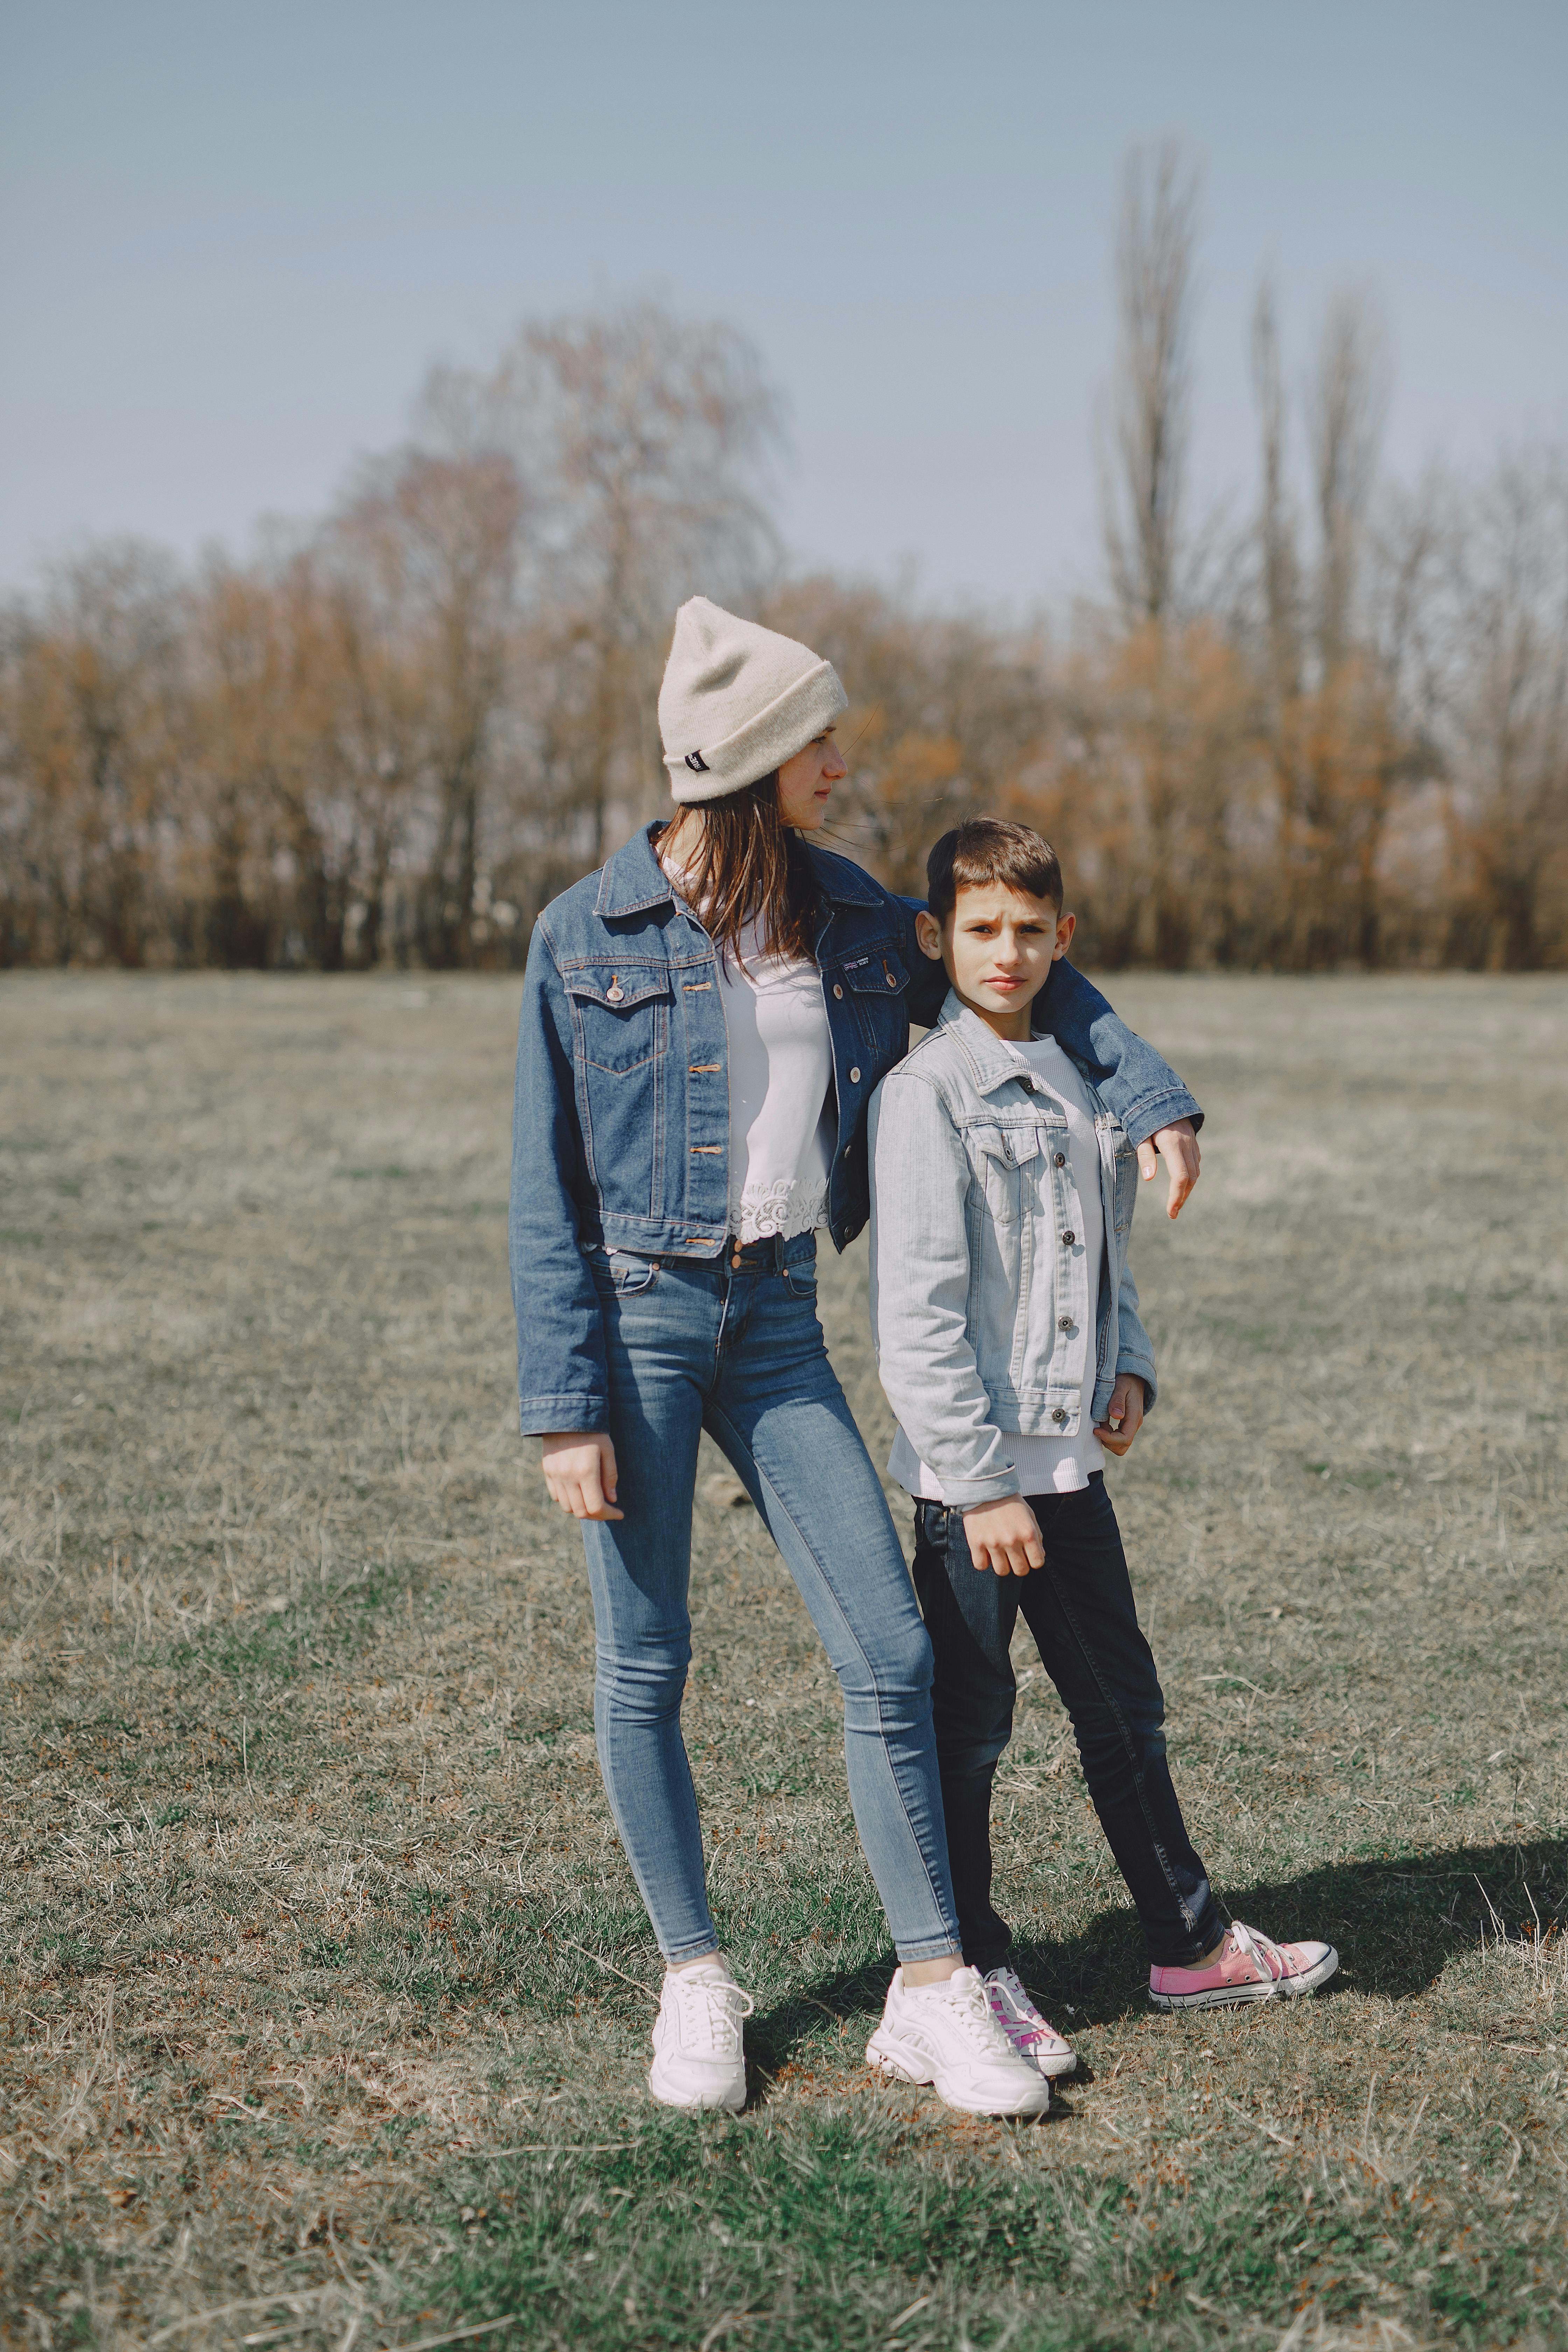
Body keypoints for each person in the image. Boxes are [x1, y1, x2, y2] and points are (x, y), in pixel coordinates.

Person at [509, 599, 1205, 2119]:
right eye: (817, 742)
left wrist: (1147, 1092)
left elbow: (1032, 976)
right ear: (749, 756)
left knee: (891, 1654)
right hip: (635, 1319)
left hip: (774, 1323)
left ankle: (934, 1988)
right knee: (647, 1659)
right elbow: (542, 1184)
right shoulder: (585, 932)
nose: (839, 766)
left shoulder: (850, 916)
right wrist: (565, 1408)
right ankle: (695, 1975)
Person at [866, 817, 1337, 2083]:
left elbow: (1102, 1254)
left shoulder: (1085, 1080)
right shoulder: (926, 1095)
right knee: (971, 1730)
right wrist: (979, 1487)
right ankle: (971, 1971)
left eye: (1031, 930)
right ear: (936, 940)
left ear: (1063, 938)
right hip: (972, 1490)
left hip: (1068, 1474)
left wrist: (1128, 1364)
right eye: (980, 929)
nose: (1006, 953)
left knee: (1124, 1708)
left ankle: (1190, 1944)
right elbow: (916, 1318)